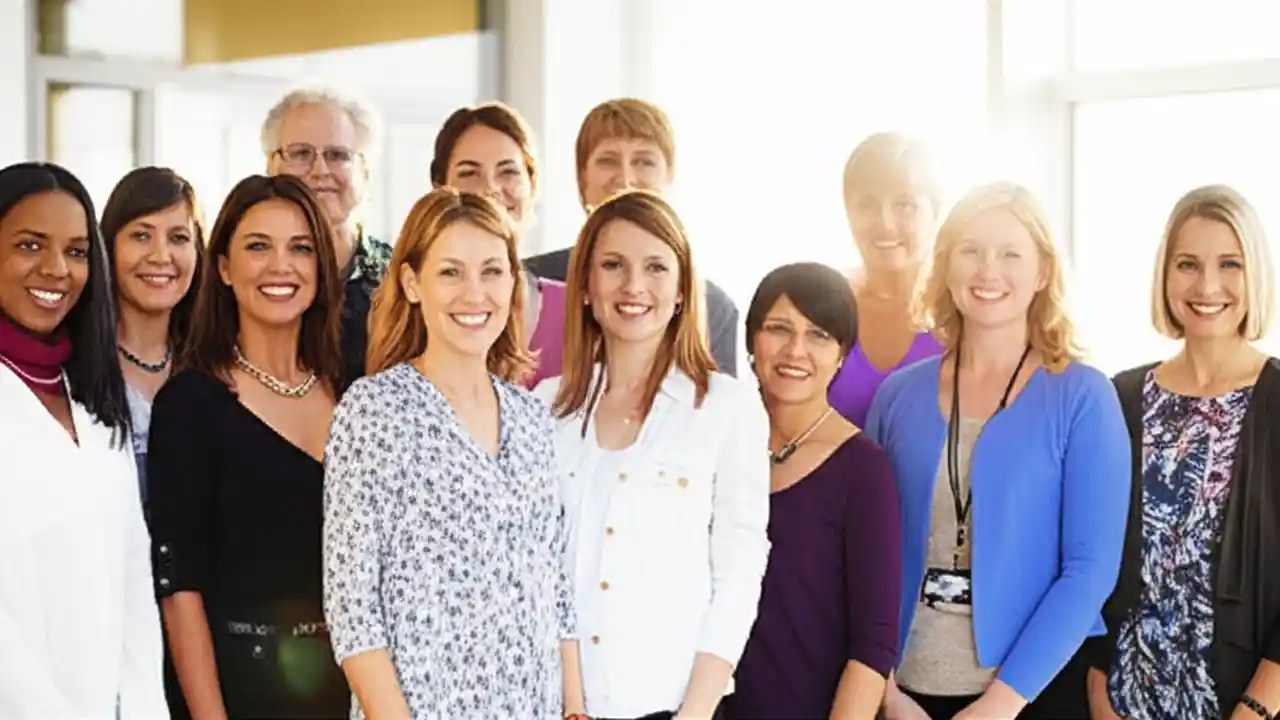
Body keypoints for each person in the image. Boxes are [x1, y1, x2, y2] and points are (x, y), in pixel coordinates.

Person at [867, 182, 1129, 720]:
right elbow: (864, 554)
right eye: (970, 251)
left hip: (1029, 698)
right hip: (901, 695)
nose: (988, 270)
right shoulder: (896, 396)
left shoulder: (1083, 397)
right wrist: (887, 694)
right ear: (945, 266)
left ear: (1041, 273)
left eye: (1011, 254)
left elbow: (1090, 570)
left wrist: (1000, 705)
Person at [323, 187, 576, 718]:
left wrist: (574, 711)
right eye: (450, 272)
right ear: (413, 282)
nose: (474, 293)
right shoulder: (374, 411)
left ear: (513, 283)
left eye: (491, 271)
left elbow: (556, 591)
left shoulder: (532, 420)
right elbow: (353, 609)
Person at [536, 189, 770, 719]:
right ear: (587, 288)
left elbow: (739, 570)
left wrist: (696, 711)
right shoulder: (545, 407)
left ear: (684, 288)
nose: (634, 286)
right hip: (557, 704)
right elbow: (538, 567)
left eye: (656, 267)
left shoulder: (726, 408)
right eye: (613, 265)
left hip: (671, 706)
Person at [147, 174, 351, 718]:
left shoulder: (355, 392)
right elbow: (179, 587)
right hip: (242, 688)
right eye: (258, 246)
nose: (280, 267)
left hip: (351, 686)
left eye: (300, 248)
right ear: (223, 267)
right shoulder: (191, 404)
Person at [1085, 185, 1280, 720]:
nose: (1208, 285)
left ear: (1255, 273)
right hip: (1122, 701)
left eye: (1230, 265)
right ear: (1165, 274)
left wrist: (1256, 710)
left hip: (1244, 705)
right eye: (1188, 264)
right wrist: (1099, 691)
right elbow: (1091, 556)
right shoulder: (1120, 397)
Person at [0, 161, 166, 718]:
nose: (56, 270)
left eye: (76, 252)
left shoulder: (95, 399)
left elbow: (132, 585)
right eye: (30, 245)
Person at [728, 262, 901, 720]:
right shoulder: (716, 445)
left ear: (843, 352)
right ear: (751, 341)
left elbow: (874, 642)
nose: (795, 350)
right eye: (778, 329)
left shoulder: (863, 469)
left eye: (819, 335)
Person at [522, 98, 741, 376]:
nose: (625, 179)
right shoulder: (528, 282)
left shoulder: (713, 308)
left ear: (669, 177)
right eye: (608, 161)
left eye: (644, 161)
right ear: (582, 181)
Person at [429, 101, 568, 386]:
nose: (491, 188)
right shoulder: (417, 306)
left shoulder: (575, 311)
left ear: (533, 185)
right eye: (469, 173)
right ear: (439, 187)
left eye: (508, 172)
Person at [262, 85, 391, 386]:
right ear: (271, 166)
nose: (320, 170)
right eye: (301, 154)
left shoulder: (402, 274)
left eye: (337, 155)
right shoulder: (245, 271)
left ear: (365, 172)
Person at [101, 166, 204, 512]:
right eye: (141, 236)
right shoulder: (74, 371)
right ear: (108, 246)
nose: (161, 256)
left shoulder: (215, 369)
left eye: (178, 238)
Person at [828, 132, 945, 427]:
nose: (885, 224)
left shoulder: (965, 313)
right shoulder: (824, 309)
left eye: (904, 205)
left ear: (935, 212)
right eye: (866, 205)